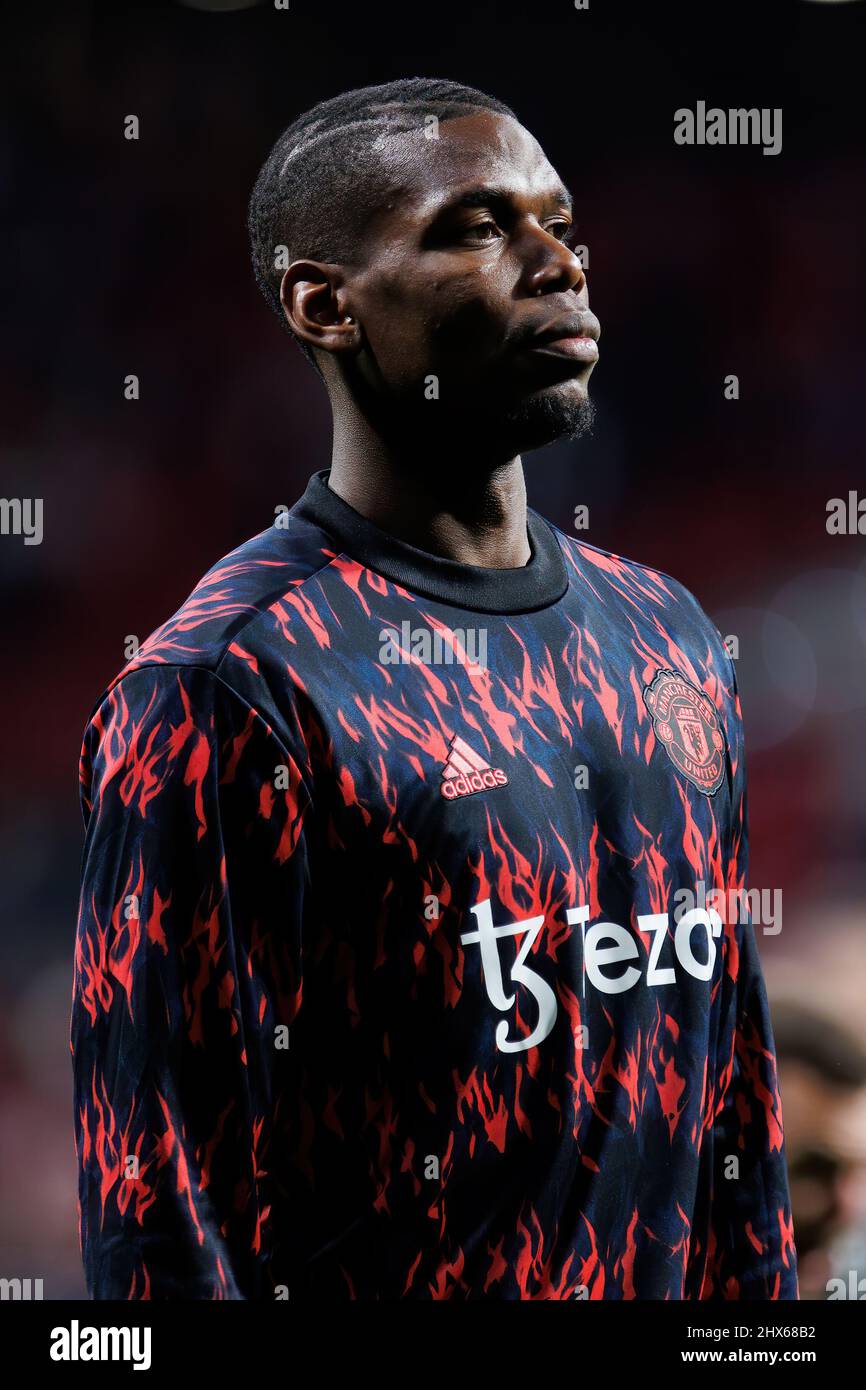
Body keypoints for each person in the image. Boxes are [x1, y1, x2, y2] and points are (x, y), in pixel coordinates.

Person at [71, 77, 797, 1300]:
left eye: (559, 224)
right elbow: (159, 1205)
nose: (555, 262)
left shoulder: (662, 631)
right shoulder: (232, 687)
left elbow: (733, 1110)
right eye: (474, 227)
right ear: (324, 303)